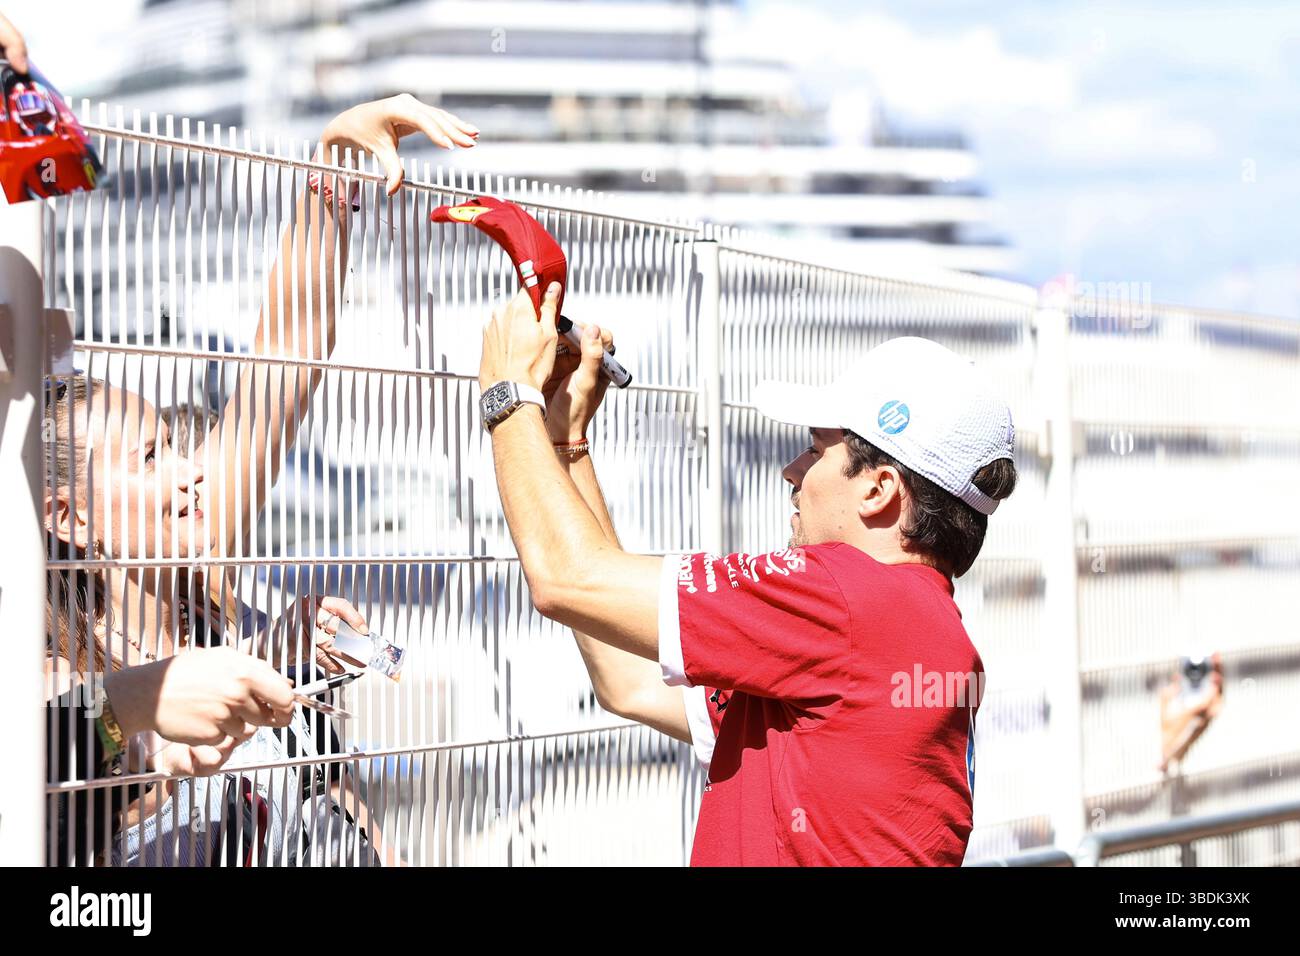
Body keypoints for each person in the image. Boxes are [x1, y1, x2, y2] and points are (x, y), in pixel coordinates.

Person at [44, 93, 477, 864]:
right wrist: (144, 740)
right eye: (151, 458)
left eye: (175, 446)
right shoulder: (49, 676)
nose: (192, 474)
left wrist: (335, 161)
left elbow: (289, 354)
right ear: (70, 517)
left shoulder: (206, 569)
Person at [478, 283, 1018, 865]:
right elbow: (629, 679)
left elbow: (564, 580)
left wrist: (510, 396)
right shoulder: (910, 625)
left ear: (878, 489)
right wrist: (565, 444)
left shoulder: (847, 598)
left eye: (816, 451)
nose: (793, 471)